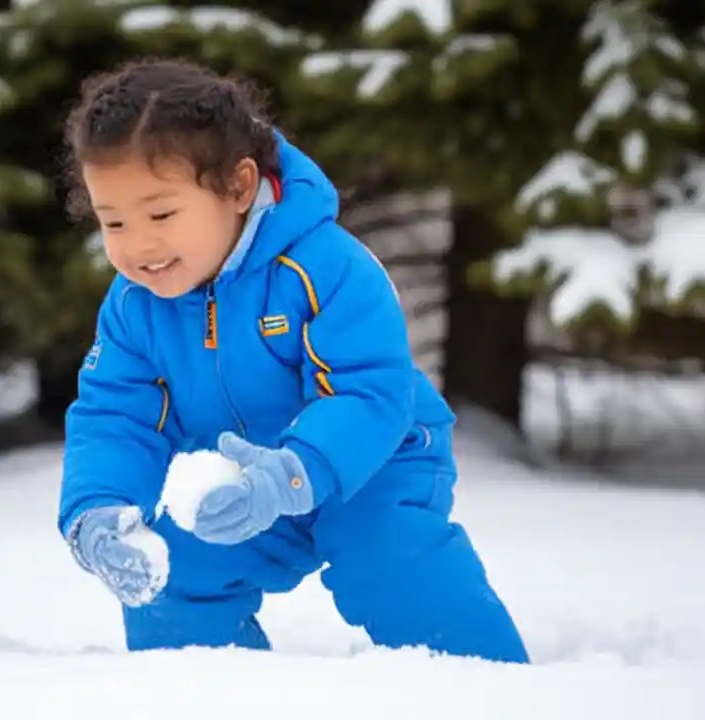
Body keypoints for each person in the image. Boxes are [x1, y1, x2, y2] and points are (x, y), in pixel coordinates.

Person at [56, 57, 529, 664]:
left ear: (238, 186)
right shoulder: (133, 307)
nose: (137, 245)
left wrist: (292, 474)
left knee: (393, 565)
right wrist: (97, 510)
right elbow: (116, 416)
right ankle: (208, 697)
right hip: (238, 482)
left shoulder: (325, 268)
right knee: (172, 575)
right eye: (112, 221)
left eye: (162, 214)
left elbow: (368, 394)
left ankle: (491, 688)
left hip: (371, 466)